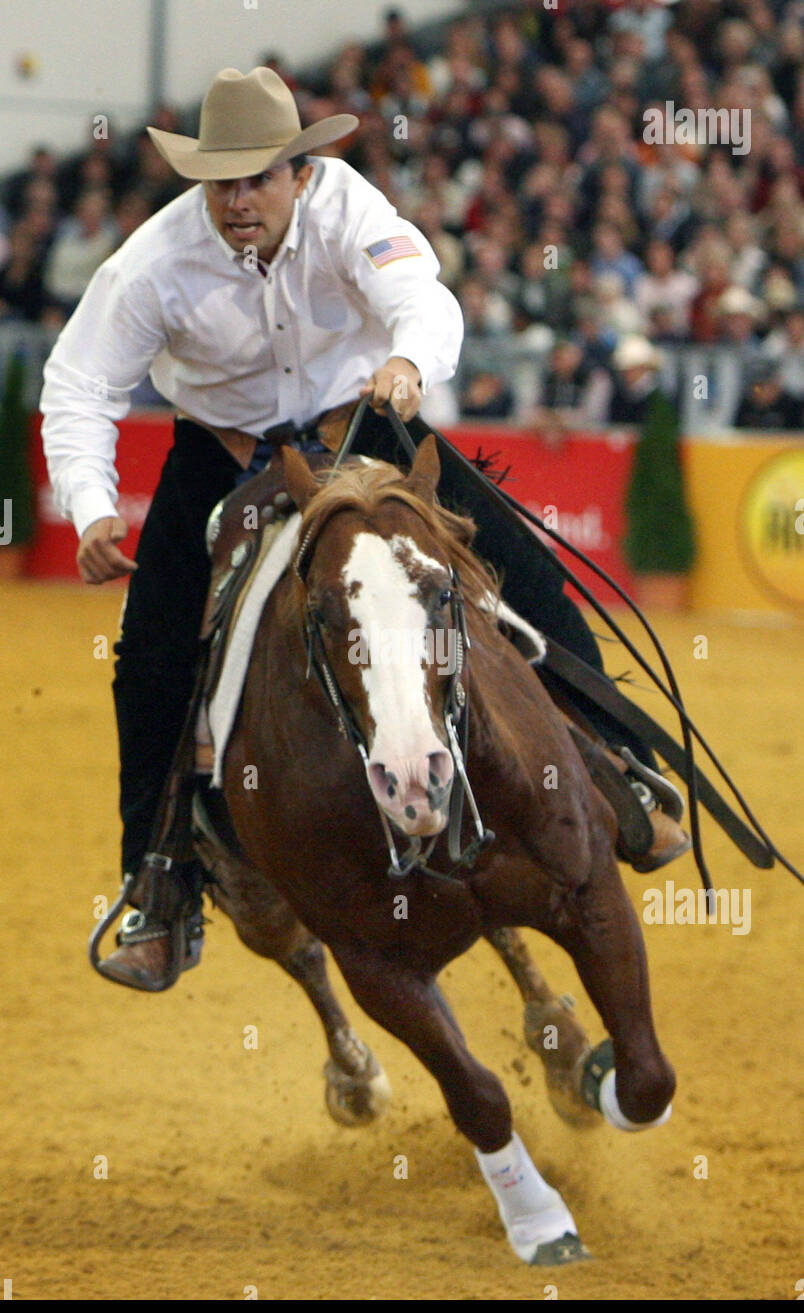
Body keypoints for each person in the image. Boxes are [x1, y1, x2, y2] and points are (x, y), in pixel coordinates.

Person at [40, 67, 688, 993]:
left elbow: (424, 297)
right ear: (201, 185)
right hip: (222, 454)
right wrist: (93, 501)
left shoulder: (348, 207)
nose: (237, 200)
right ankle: (161, 881)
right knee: (149, 656)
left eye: (258, 177)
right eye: (221, 181)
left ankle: (622, 771)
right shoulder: (148, 262)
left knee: (516, 560)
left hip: (367, 415)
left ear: (299, 174)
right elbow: (79, 384)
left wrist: (408, 361)